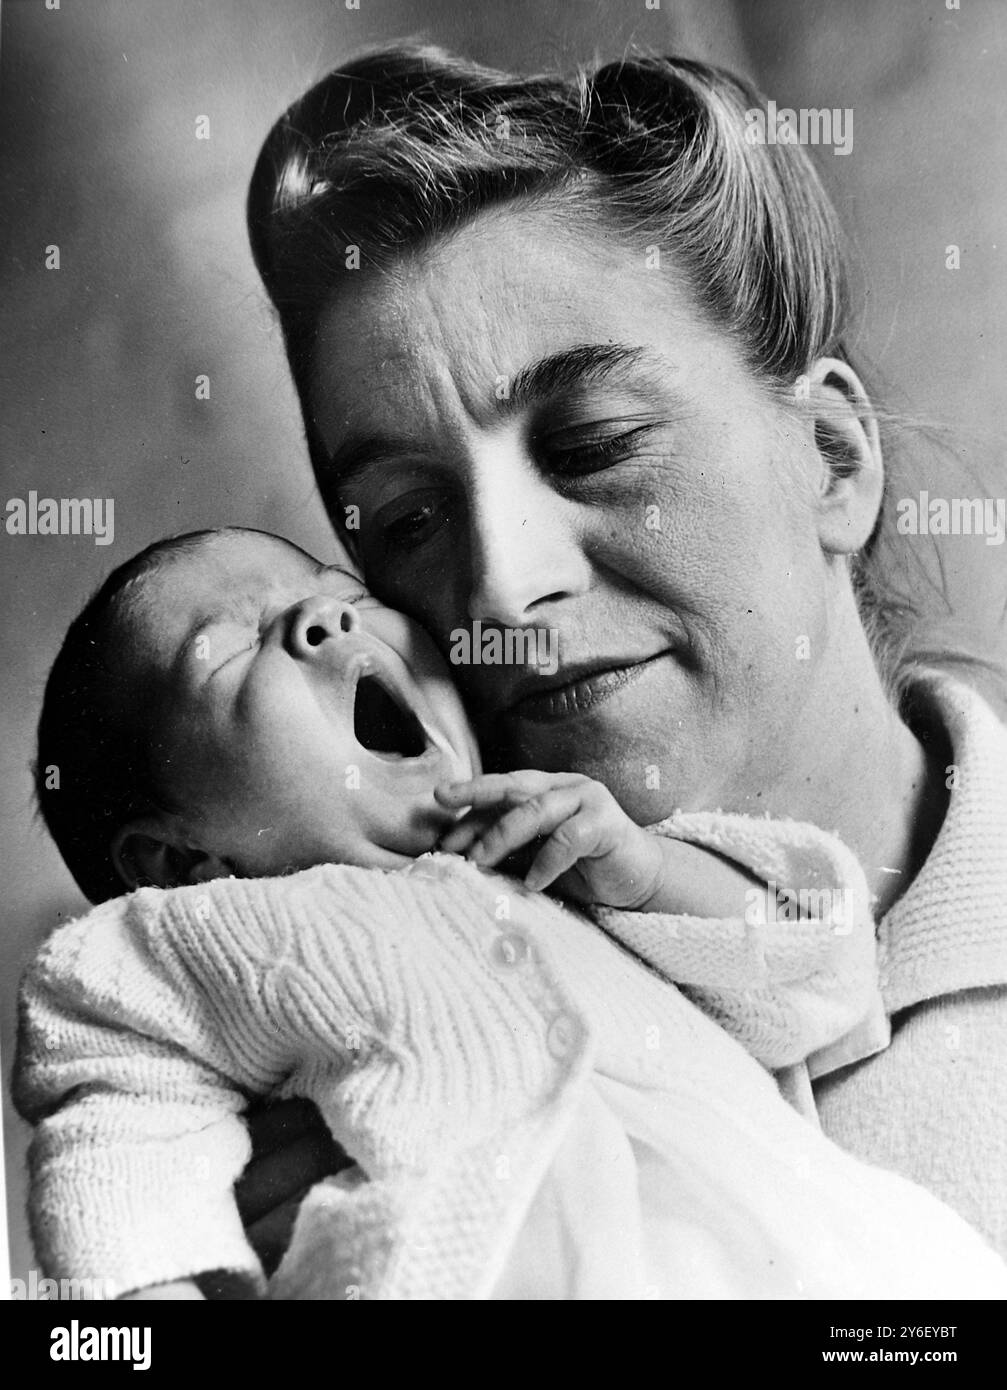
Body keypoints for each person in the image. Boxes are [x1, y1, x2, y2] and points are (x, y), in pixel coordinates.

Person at [228, 44, 1006, 1262]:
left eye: (590, 444)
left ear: (834, 458)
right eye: (410, 520)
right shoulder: (348, 1061)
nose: (500, 579)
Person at [26, 525, 988, 1300]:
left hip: (820, 1260)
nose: (324, 618)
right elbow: (119, 1164)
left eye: (342, 592)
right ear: (176, 857)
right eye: (228, 651)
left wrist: (647, 873)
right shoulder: (176, 947)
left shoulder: (558, 850)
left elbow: (817, 983)